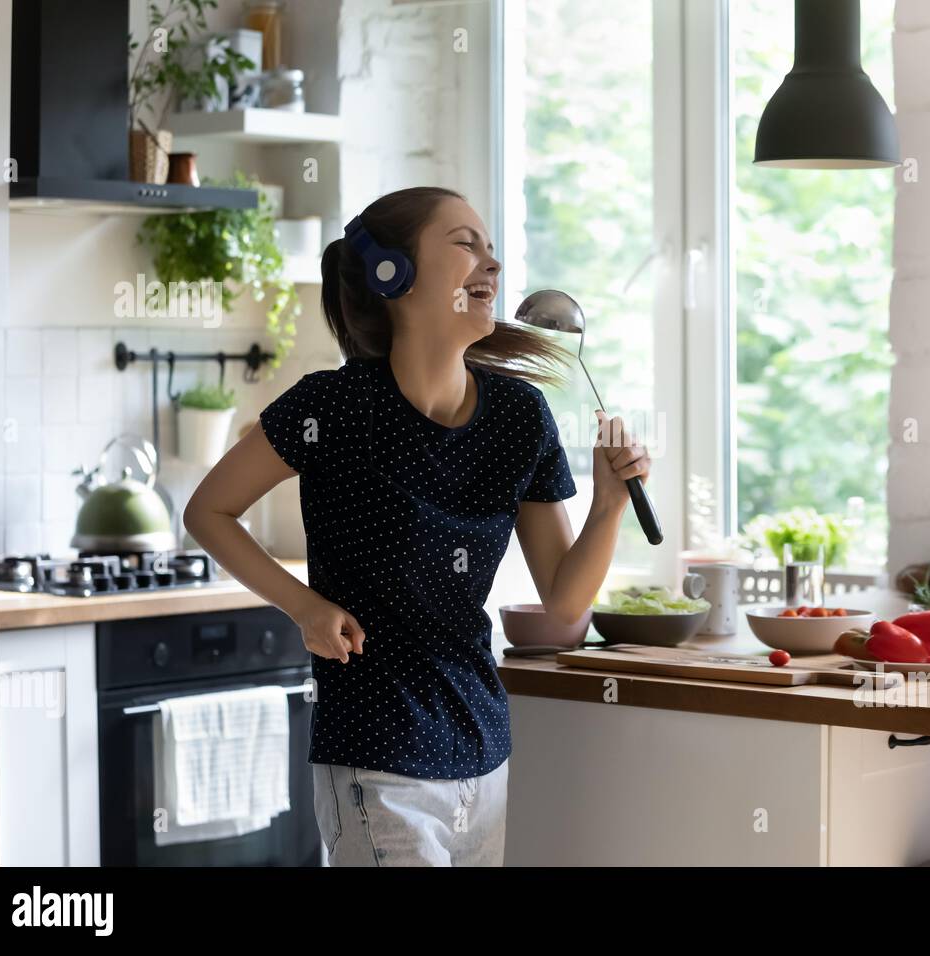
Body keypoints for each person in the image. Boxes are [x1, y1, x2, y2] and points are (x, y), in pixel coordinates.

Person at [183, 186, 650, 866]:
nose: (491, 265)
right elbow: (209, 511)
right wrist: (303, 605)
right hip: (376, 756)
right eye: (466, 245)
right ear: (391, 275)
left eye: (491, 249)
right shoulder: (332, 408)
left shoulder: (521, 417)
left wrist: (609, 505)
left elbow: (565, 600)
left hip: (483, 754)